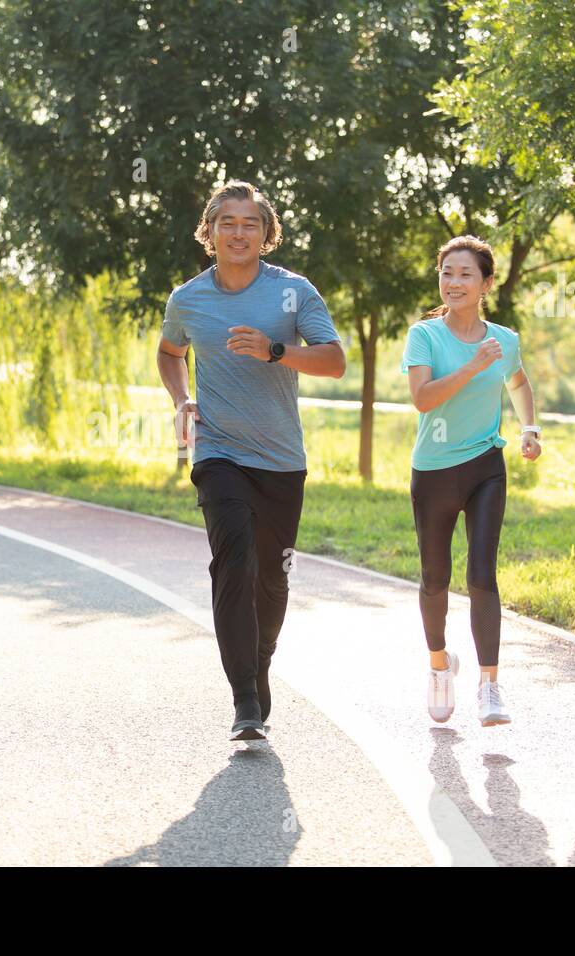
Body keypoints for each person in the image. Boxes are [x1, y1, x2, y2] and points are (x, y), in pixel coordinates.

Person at [157, 180, 346, 742]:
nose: (239, 232)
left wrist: (276, 351)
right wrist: (181, 399)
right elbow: (171, 353)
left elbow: (335, 362)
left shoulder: (293, 293)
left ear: (267, 234)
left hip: (281, 459)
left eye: (250, 224)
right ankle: (244, 698)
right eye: (228, 223)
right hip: (218, 451)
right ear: (210, 232)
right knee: (232, 561)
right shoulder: (187, 299)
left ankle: (259, 666)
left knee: (272, 580)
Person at [400, 235, 541, 727]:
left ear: (486, 283)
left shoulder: (504, 339)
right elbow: (423, 399)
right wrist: (473, 366)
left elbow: (518, 381)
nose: (454, 282)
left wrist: (528, 426)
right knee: (435, 577)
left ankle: (490, 686)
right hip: (434, 471)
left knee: (482, 573)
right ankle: (439, 666)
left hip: (485, 466)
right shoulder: (425, 336)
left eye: (465, 274)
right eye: (447, 273)